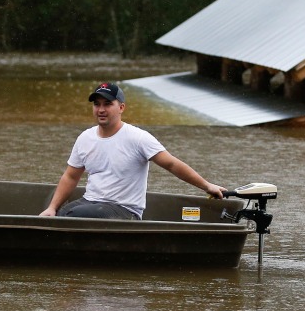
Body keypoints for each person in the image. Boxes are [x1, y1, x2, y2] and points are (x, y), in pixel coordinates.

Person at [41, 82, 225, 219]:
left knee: (77, 215)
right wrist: (52, 208)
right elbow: (71, 177)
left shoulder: (138, 138)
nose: (101, 109)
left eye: (107, 104)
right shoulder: (85, 138)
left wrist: (207, 186)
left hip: (124, 210)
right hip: (89, 204)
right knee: (61, 213)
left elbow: (171, 164)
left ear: (121, 108)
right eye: (97, 104)